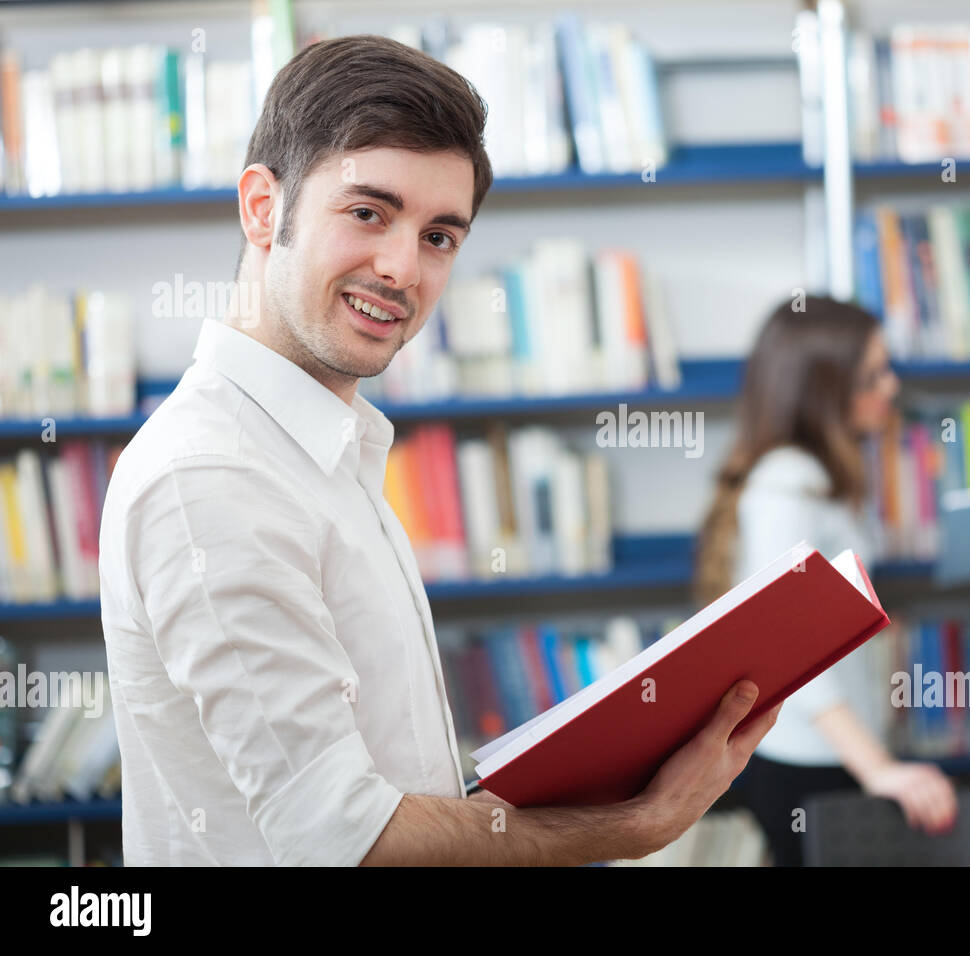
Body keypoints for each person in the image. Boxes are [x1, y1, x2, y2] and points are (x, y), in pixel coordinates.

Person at [98, 34, 782, 867]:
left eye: (440, 237)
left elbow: (384, 778)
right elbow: (347, 838)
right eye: (367, 213)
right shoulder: (211, 477)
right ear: (262, 208)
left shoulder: (325, 450)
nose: (400, 268)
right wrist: (627, 828)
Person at [695, 296, 958, 866]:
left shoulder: (817, 474)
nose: (891, 387)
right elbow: (788, 648)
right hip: (807, 758)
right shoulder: (786, 485)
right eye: (874, 375)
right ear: (824, 390)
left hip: (828, 747)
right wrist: (878, 770)